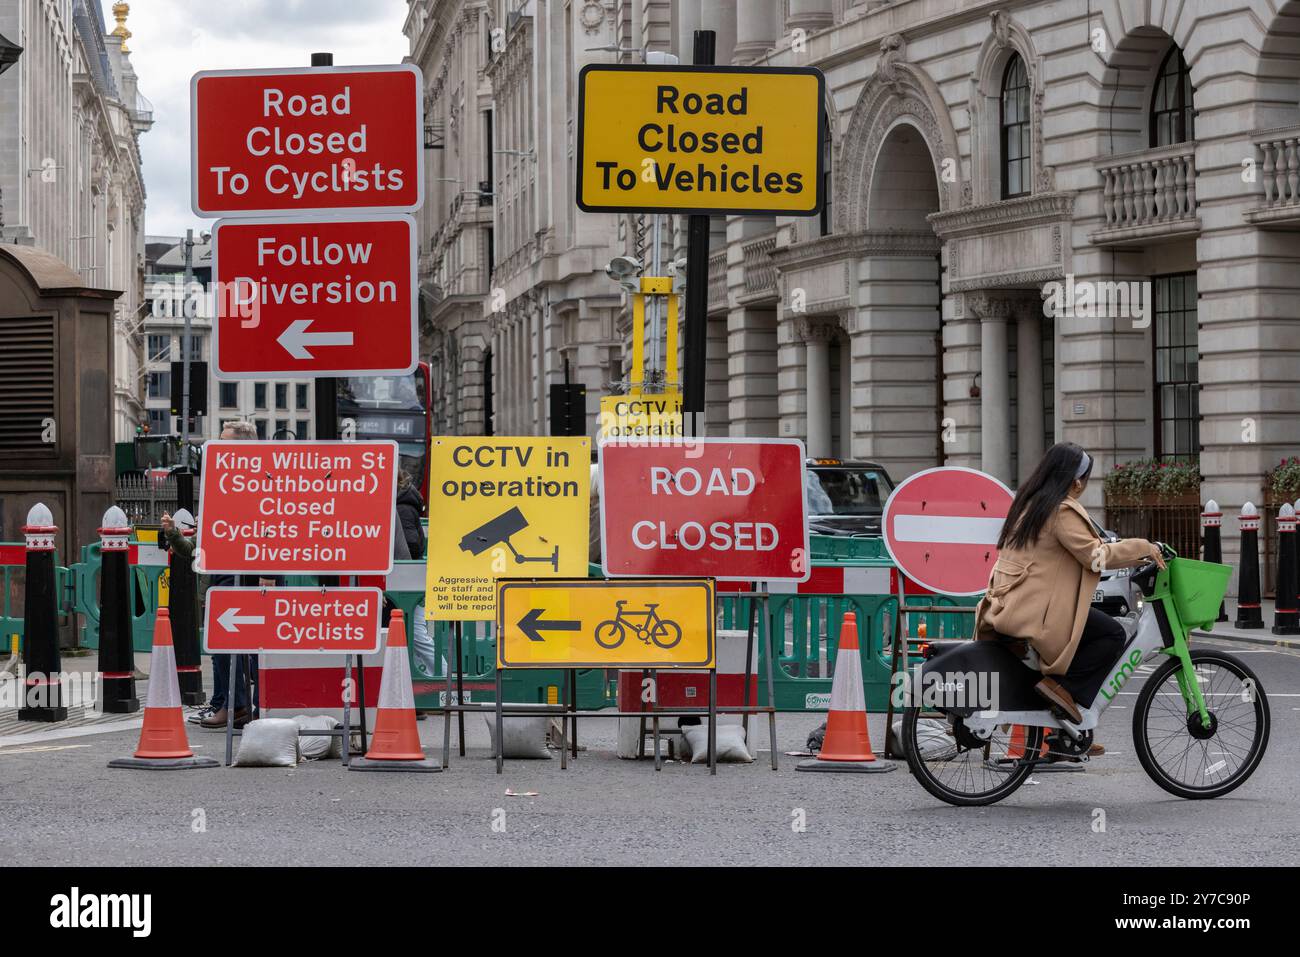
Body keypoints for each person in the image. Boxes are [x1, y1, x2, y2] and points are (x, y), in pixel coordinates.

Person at [974, 442, 1164, 729]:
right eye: (1086, 479)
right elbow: (1094, 556)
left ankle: (1060, 732)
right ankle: (1064, 693)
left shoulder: (1031, 504)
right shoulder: (1061, 511)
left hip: (1010, 605)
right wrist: (1144, 548)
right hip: (1034, 613)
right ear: (1076, 481)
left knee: (1091, 633)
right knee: (1112, 634)